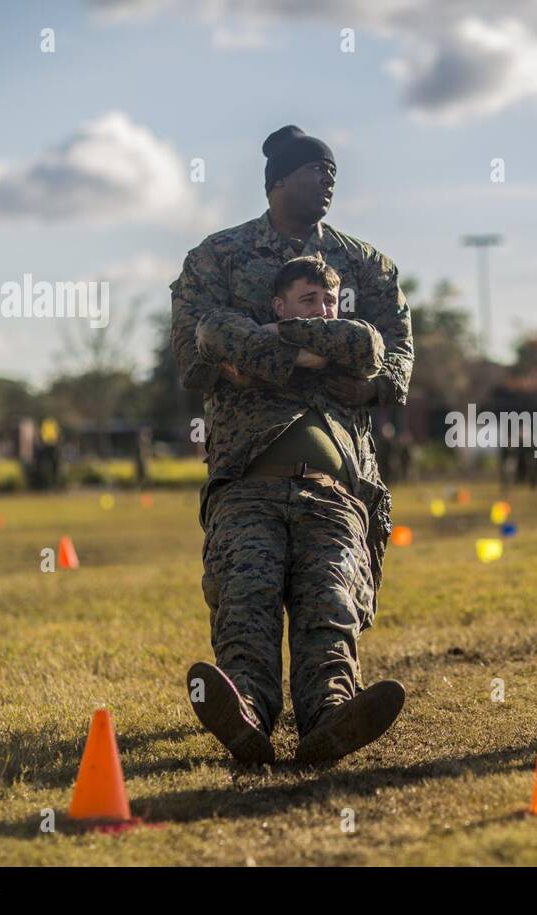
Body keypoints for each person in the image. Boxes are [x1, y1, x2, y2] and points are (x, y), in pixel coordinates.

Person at [170, 125, 413, 764]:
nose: (328, 180)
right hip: (249, 472)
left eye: (332, 171)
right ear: (278, 181)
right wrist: (266, 360)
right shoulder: (219, 256)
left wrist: (378, 385)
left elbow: (391, 346)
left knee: (331, 600)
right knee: (245, 600)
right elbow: (193, 347)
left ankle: (331, 715)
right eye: (314, 170)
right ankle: (244, 713)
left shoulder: (366, 263)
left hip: (338, 478)